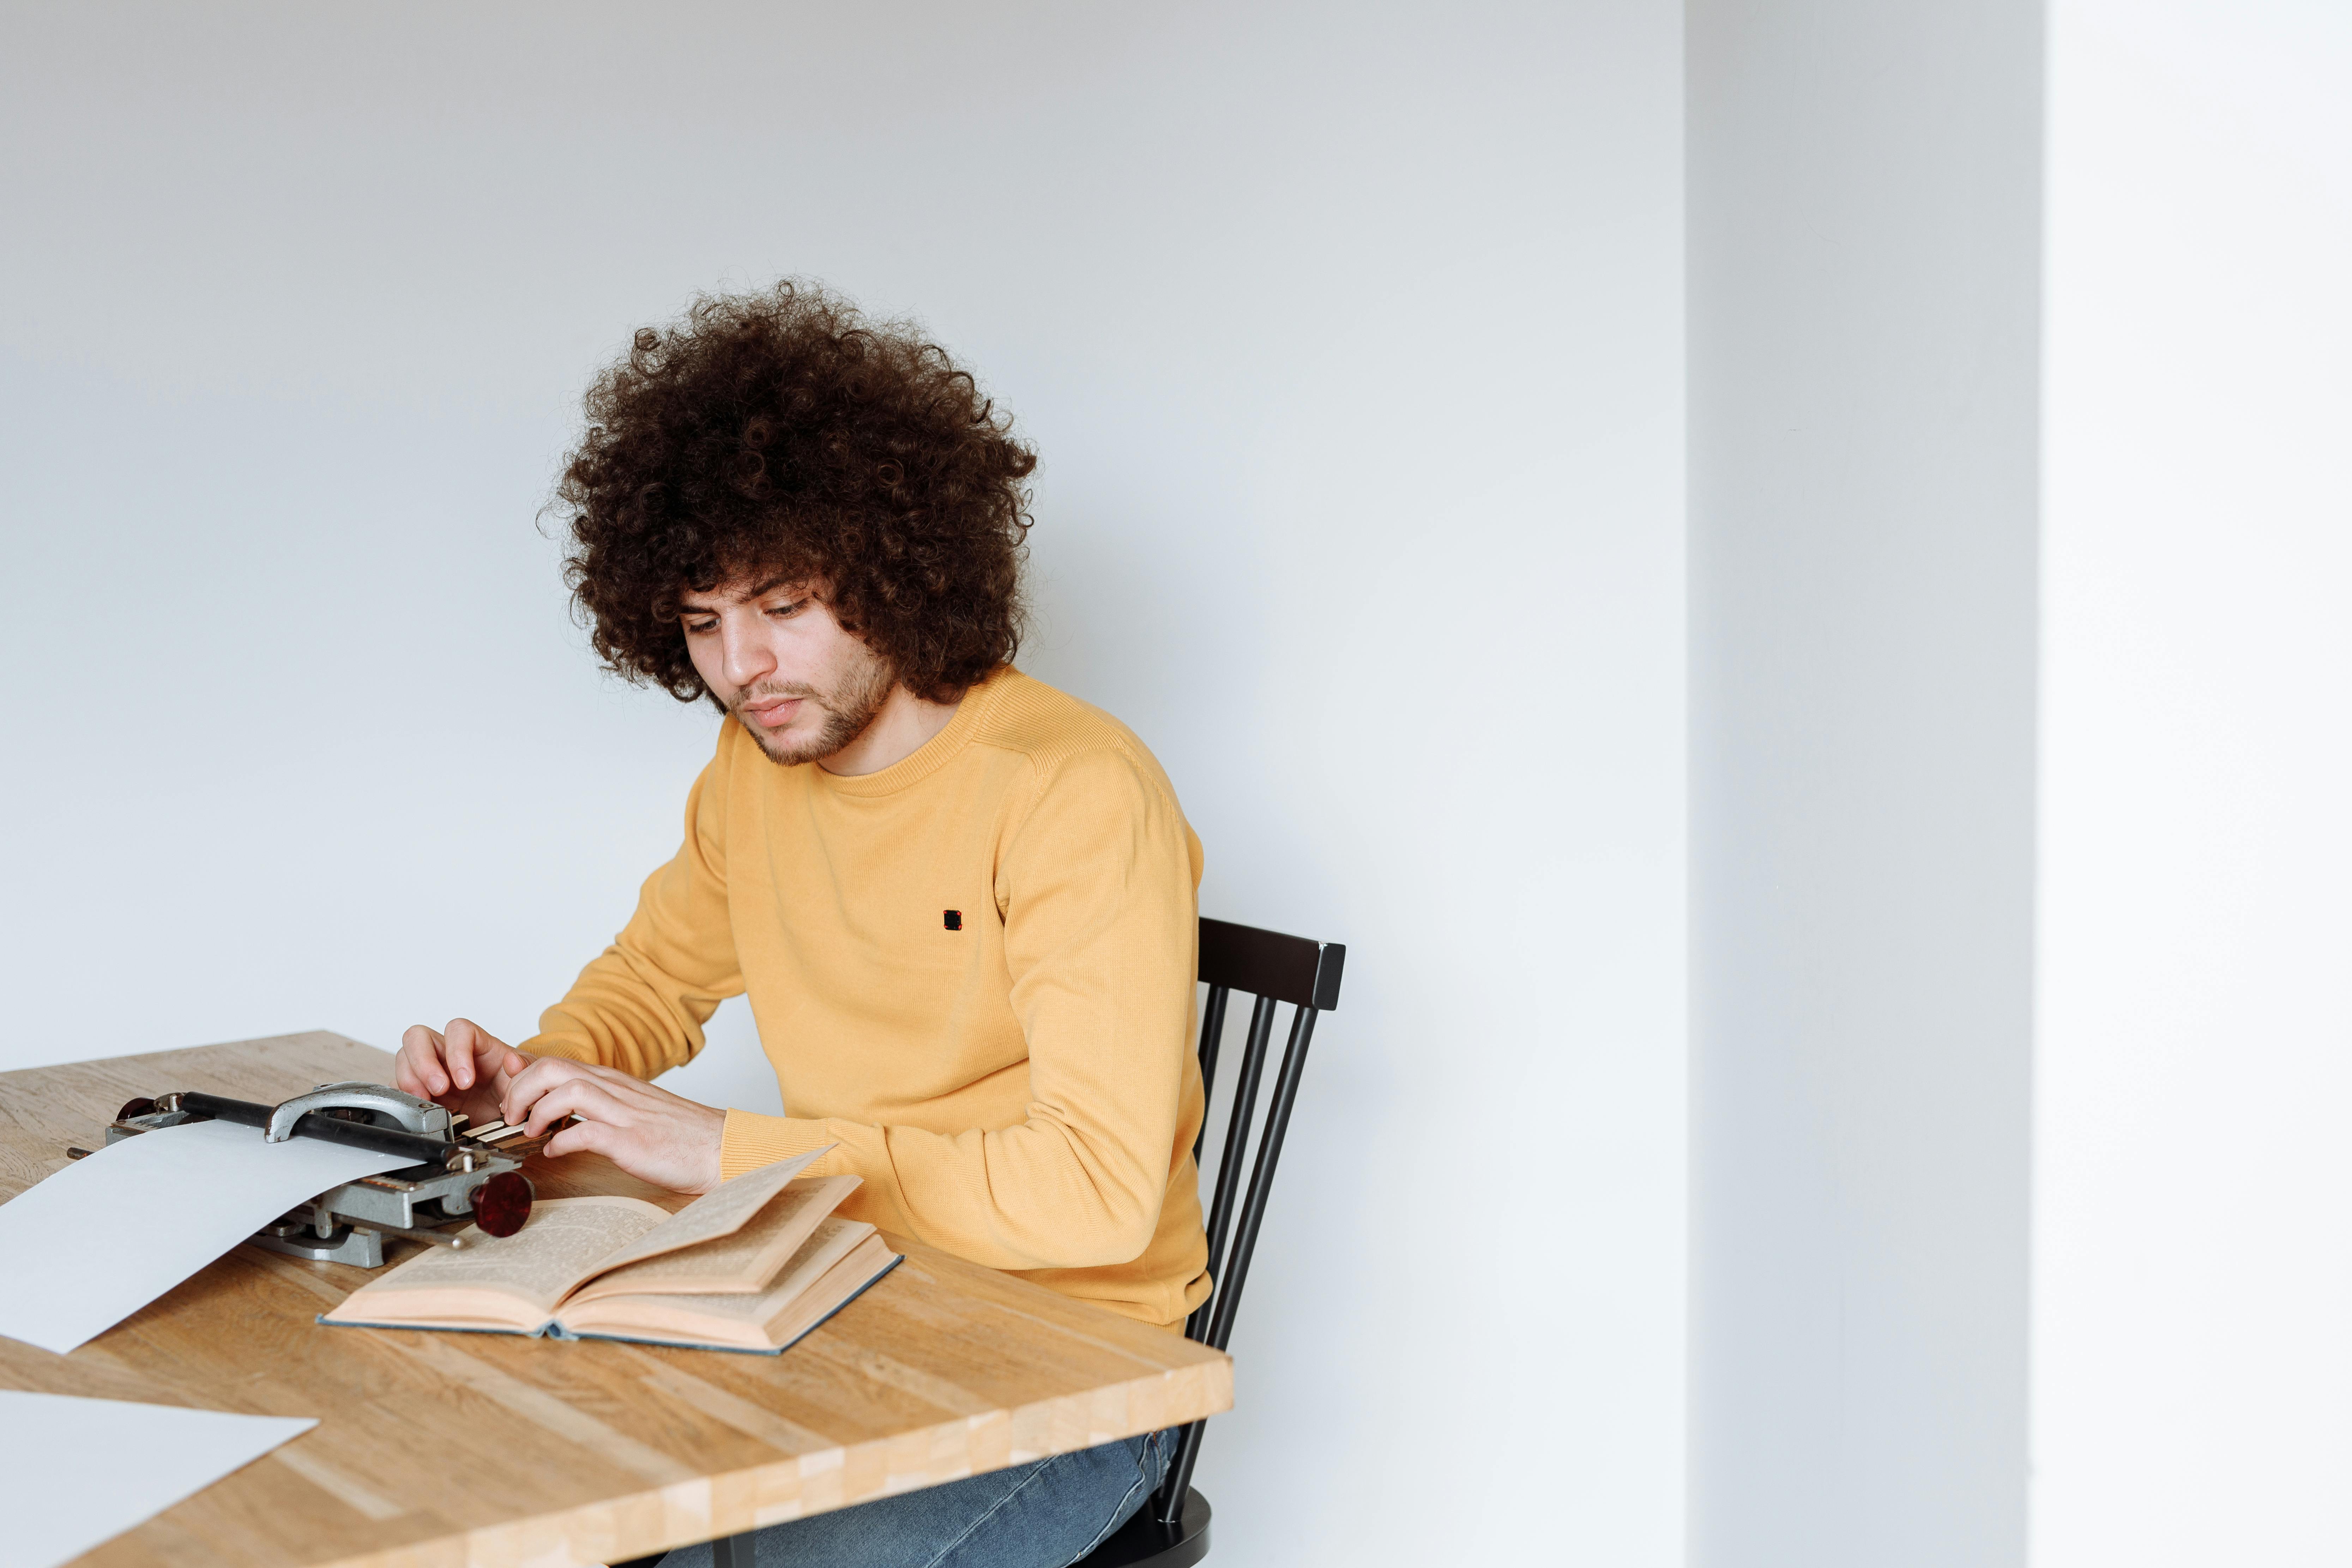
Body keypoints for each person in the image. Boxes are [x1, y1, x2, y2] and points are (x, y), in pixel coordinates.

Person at [393, 282, 1207, 1567]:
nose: (741, 668)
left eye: (781, 607)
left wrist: (732, 1151)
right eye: (703, 623)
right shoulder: (751, 768)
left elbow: (1099, 1198)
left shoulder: (1072, 792)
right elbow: (657, 979)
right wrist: (539, 1073)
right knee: (518, 1482)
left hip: (1071, 1372)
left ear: (893, 565)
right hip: (836, 1295)